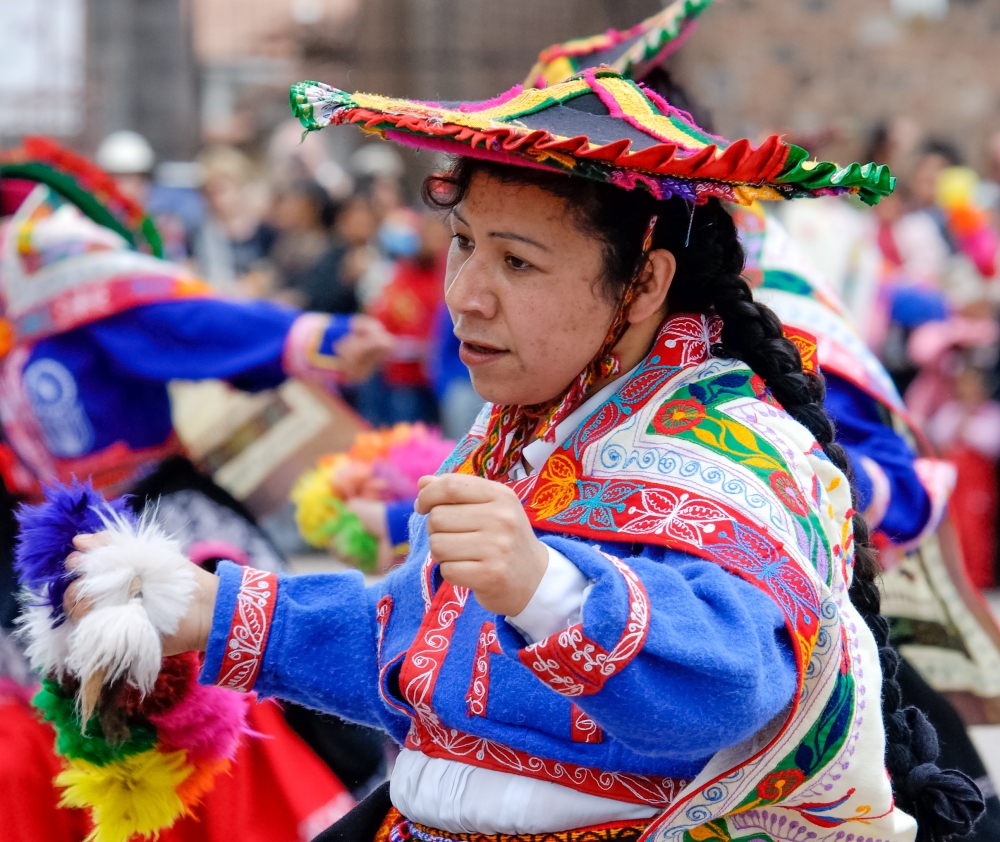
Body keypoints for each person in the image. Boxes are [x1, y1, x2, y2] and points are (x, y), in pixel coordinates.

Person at [61, 66, 984, 842]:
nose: (465, 295)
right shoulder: (522, 429)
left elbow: (734, 684)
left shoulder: (730, 443)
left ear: (646, 279)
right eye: (463, 244)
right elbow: (417, 651)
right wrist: (207, 609)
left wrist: (546, 586)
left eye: (517, 262)